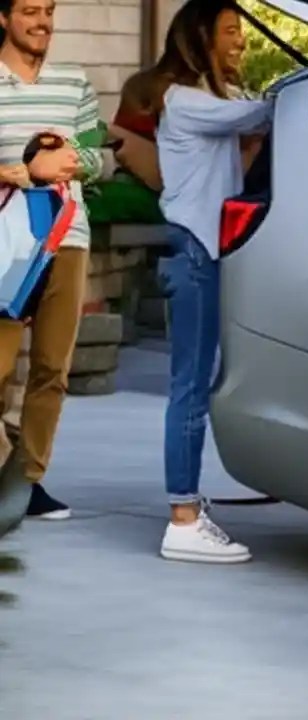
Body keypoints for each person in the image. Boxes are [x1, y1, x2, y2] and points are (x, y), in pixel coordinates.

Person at [133, 0, 271, 563]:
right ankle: (183, 519)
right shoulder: (185, 101)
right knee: (189, 387)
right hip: (192, 253)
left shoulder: (218, 101)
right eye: (231, 31)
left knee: (200, 382)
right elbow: (266, 111)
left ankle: (187, 506)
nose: (241, 41)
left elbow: (248, 137)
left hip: (207, 254)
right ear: (201, 39)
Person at [0, 0, 102, 520]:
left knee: (51, 370)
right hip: (7, 243)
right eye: (29, 11)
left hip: (67, 238)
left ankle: (26, 483)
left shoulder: (74, 81)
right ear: (3, 18)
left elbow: (96, 156)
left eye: (47, 11)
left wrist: (69, 161)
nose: (41, 22)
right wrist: (24, 169)